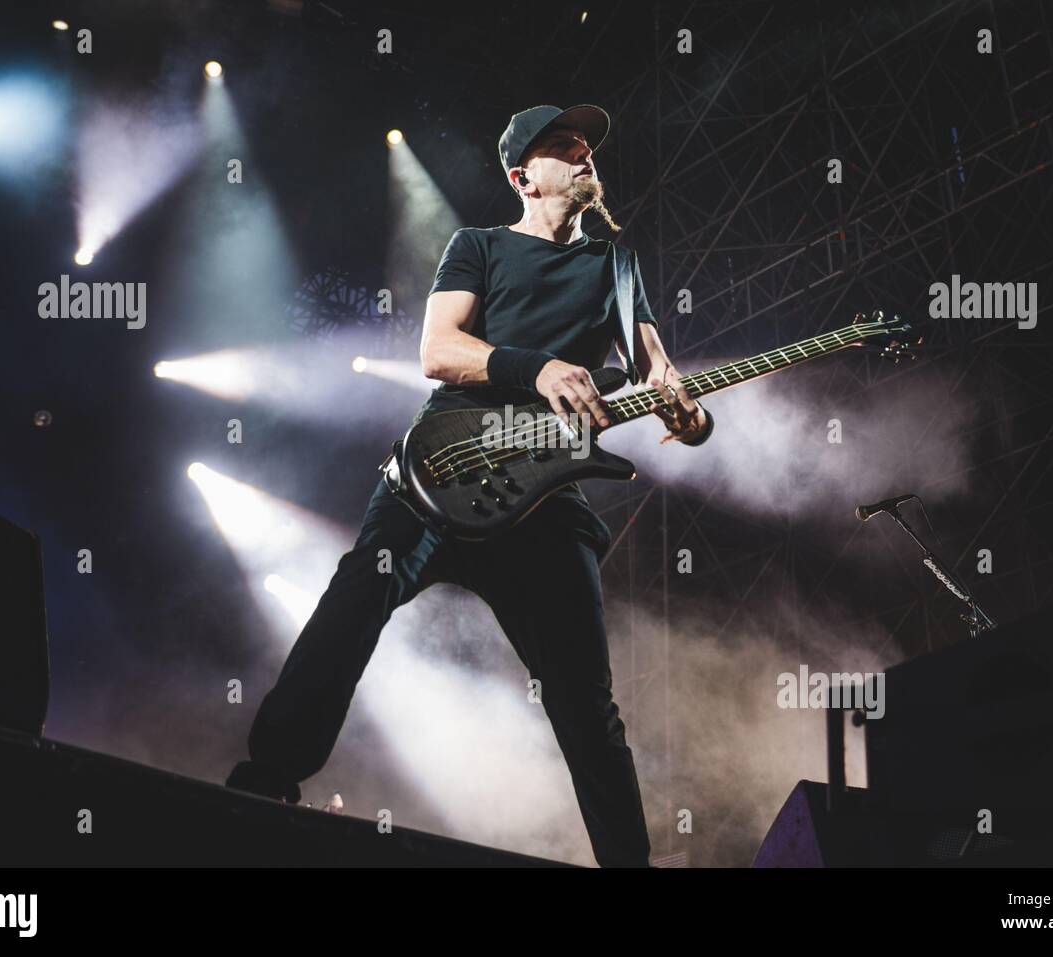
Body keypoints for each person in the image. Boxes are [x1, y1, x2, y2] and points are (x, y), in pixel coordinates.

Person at [226, 104, 714, 867]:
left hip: (547, 498)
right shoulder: (479, 246)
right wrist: (537, 366)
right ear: (523, 174)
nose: (584, 153)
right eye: (563, 146)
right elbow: (439, 348)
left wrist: (690, 418)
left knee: (585, 699)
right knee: (357, 598)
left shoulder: (615, 265)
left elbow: (659, 372)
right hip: (445, 468)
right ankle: (264, 783)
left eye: (586, 145)